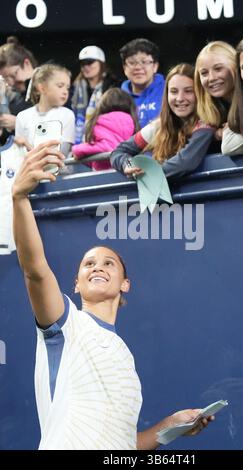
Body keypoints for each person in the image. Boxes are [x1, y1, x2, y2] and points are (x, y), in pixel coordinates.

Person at [12, 142, 214, 450]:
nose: (98, 267)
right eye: (88, 263)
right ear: (76, 284)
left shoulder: (124, 356)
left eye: (109, 263)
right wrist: (20, 197)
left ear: (125, 284)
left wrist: (172, 425)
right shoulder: (66, 324)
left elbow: (123, 446)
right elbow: (35, 270)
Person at [111, 63, 214, 179]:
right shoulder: (158, 126)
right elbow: (119, 151)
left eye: (188, 91)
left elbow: (184, 163)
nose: (180, 98)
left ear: (199, 94)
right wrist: (129, 165)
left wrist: (146, 175)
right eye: (174, 91)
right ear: (166, 95)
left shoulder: (207, 124)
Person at [72, 88, 139, 171]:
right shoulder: (133, 121)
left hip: (105, 175)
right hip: (127, 171)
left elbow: (109, 147)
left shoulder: (100, 121)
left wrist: (78, 150)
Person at [15, 63, 75, 156]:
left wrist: (27, 146)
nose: (65, 92)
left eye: (67, 88)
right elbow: (19, 154)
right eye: (60, 86)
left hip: (59, 170)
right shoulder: (22, 116)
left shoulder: (67, 115)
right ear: (42, 88)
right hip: (30, 169)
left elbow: (61, 154)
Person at [71, 45, 119, 144]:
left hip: (104, 139)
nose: (85, 67)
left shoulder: (113, 86)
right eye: (82, 64)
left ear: (101, 63)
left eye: (90, 62)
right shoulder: (75, 88)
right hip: (78, 141)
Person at [194, 41, 236, 149]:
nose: (211, 78)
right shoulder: (205, 112)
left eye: (218, 69)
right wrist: (215, 135)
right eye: (204, 73)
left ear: (235, 66)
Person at [120, 38, 165, 128]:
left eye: (144, 62)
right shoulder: (119, 98)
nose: (138, 67)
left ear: (155, 66)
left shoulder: (168, 90)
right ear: (124, 68)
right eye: (132, 63)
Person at [0, 36, 38, 131]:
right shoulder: (14, 98)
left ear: (27, 64)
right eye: (6, 78)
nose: (11, 83)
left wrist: (19, 123)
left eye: (14, 75)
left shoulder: (50, 85)